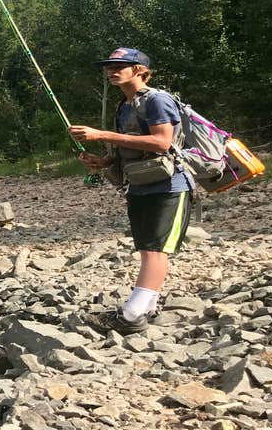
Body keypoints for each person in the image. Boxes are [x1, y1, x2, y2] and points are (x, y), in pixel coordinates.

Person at [70, 47, 193, 335]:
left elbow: (163, 142)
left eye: (120, 66)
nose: (112, 71)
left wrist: (101, 135)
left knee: (155, 250)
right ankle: (146, 306)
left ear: (140, 70)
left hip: (169, 185)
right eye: (109, 67)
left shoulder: (158, 100)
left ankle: (131, 314)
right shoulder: (125, 105)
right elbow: (129, 147)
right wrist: (103, 161)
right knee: (146, 247)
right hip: (139, 184)